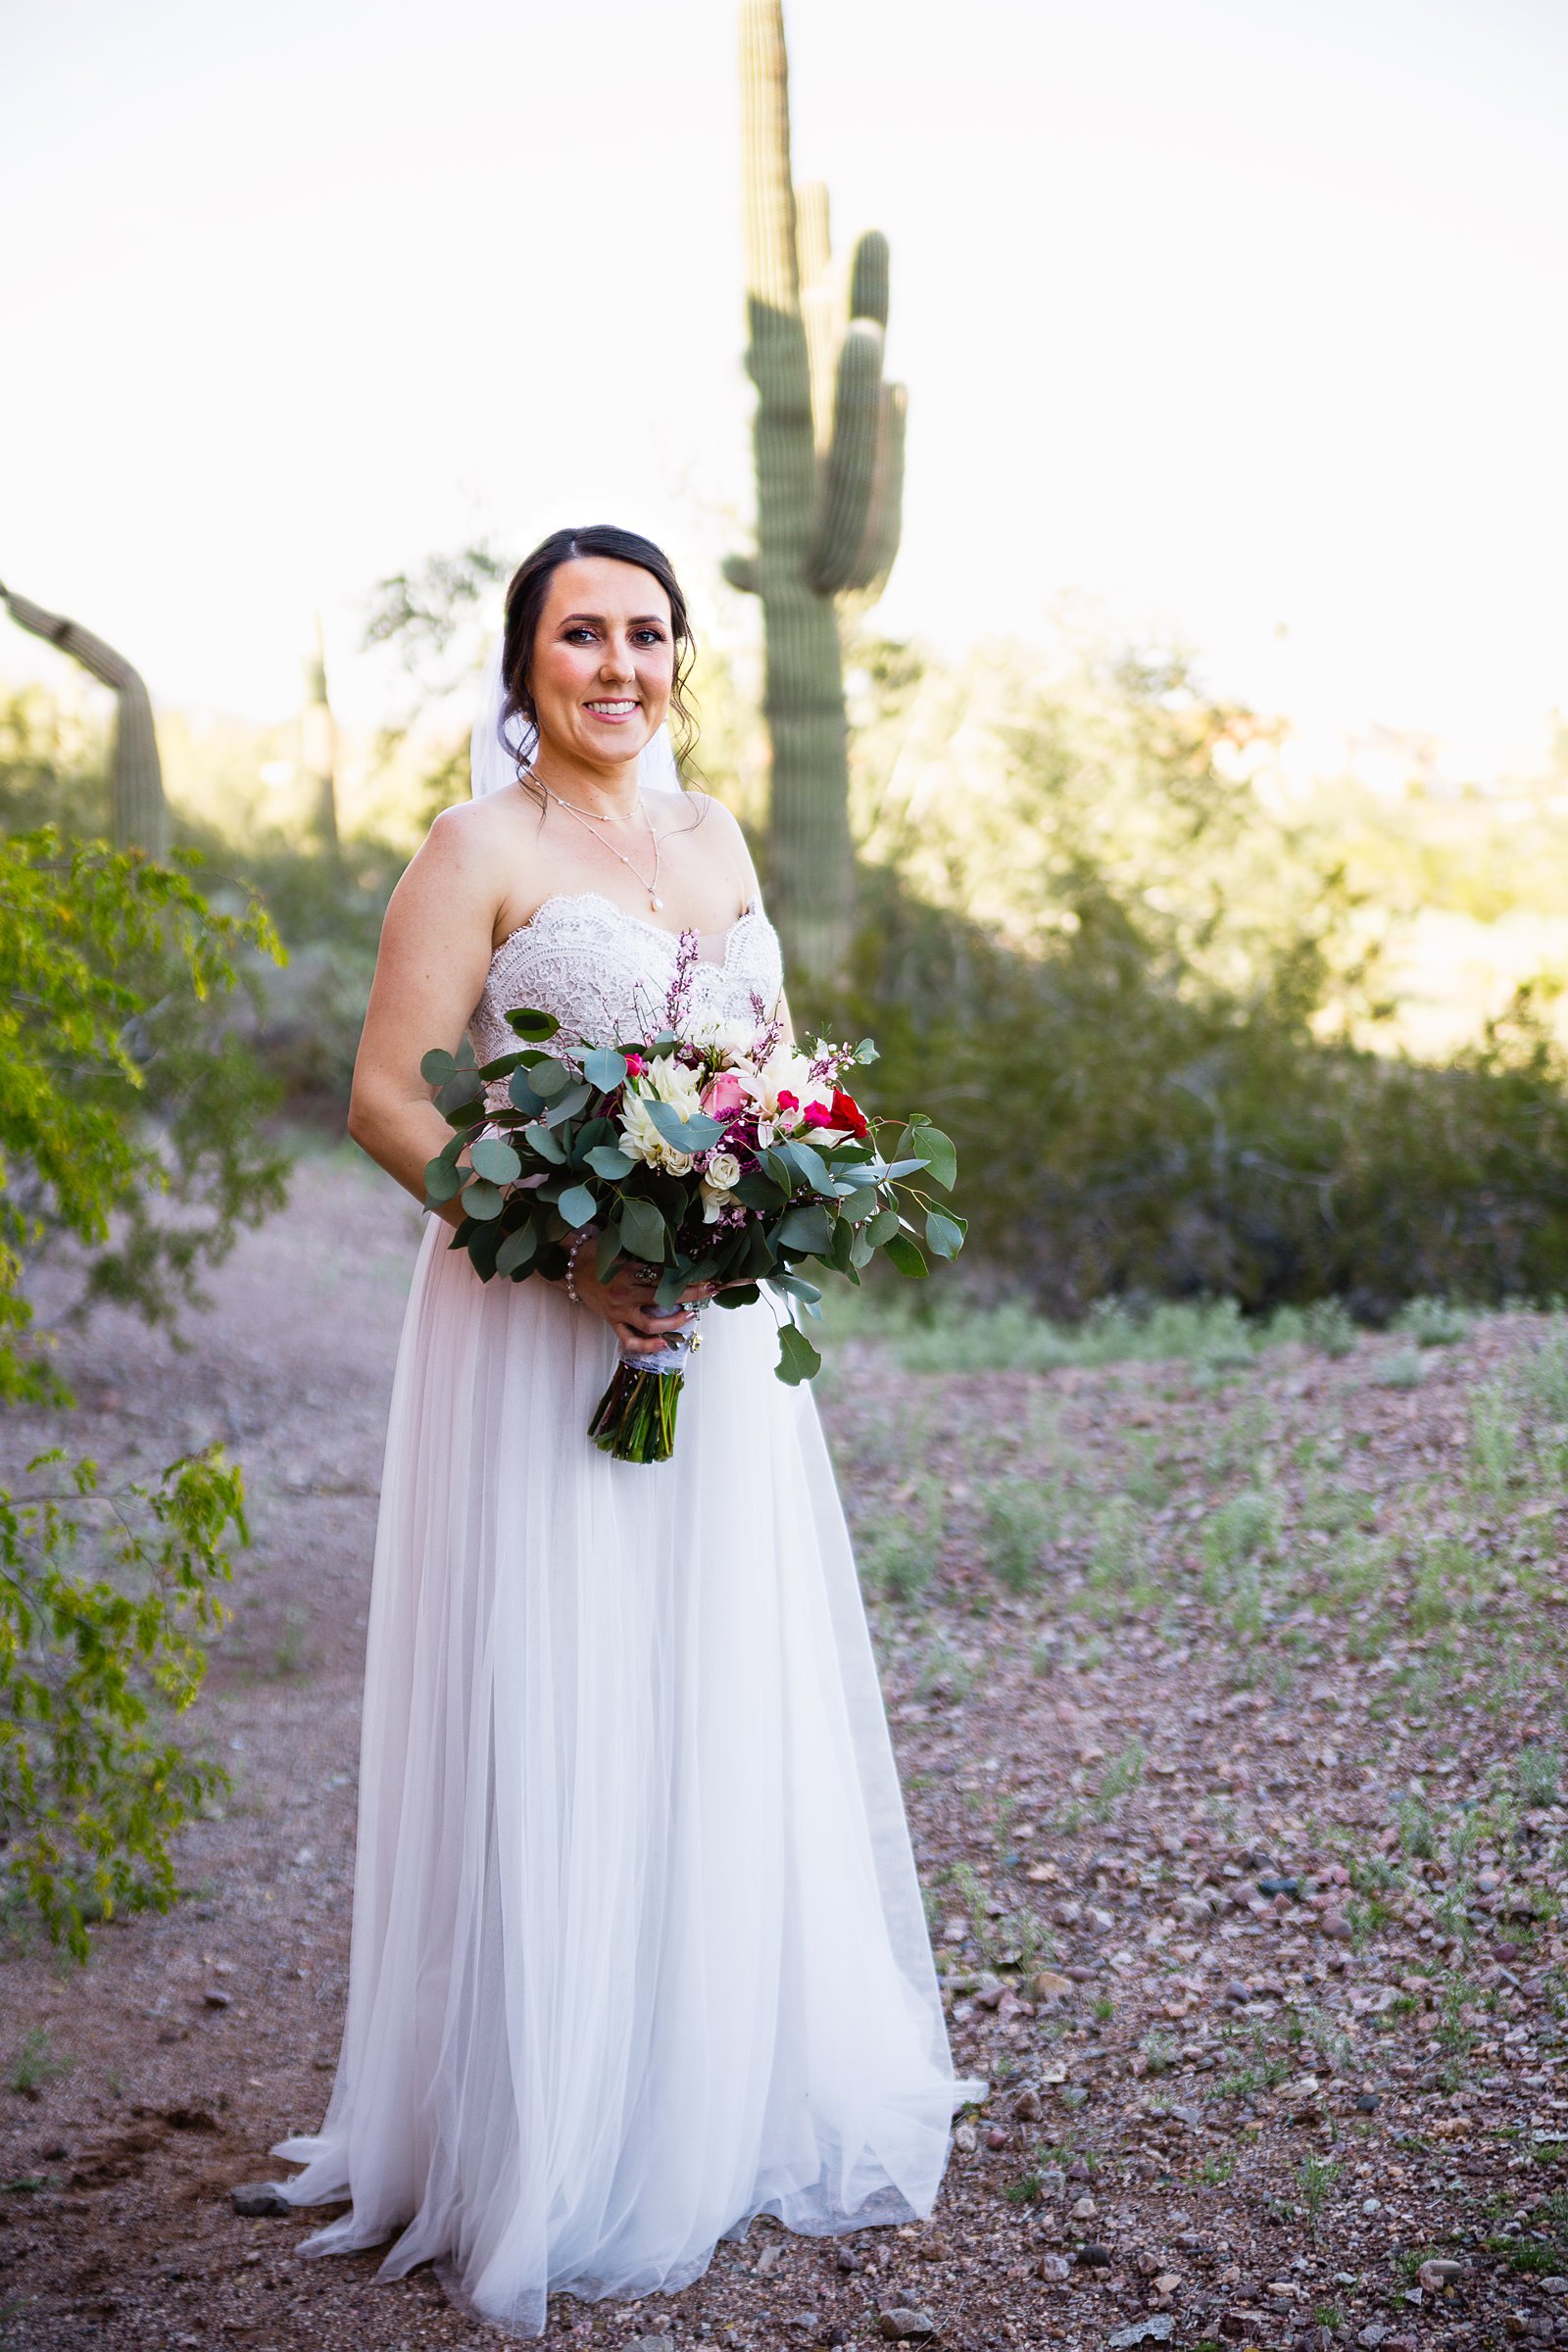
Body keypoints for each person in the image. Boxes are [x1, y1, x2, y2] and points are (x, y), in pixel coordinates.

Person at [266, 523, 983, 2335]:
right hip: (532, 1318)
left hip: (714, 1336)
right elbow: (380, 1095)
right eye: (579, 634)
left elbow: (778, 1066)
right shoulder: (478, 849)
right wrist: (572, 1240)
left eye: (646, 635)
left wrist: (769, 1193)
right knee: (567, 1682)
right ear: (525, 664)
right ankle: (550, 2130)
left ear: (678, 658)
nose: (618, 666)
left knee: (709, 1681)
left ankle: (710, 2090)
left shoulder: (714, 835)